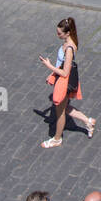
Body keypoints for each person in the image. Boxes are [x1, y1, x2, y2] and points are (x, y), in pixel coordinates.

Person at [38, 16, 95, 148]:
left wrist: (49, 65)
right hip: (60, 78)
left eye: (59, 33)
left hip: (63, 81)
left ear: (67, 33)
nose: (57, 35)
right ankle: (88, 121)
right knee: (63, 108)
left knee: (61, 111)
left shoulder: (69, 49)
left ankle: (57, 138)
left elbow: (65, 72)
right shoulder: (70, 42)